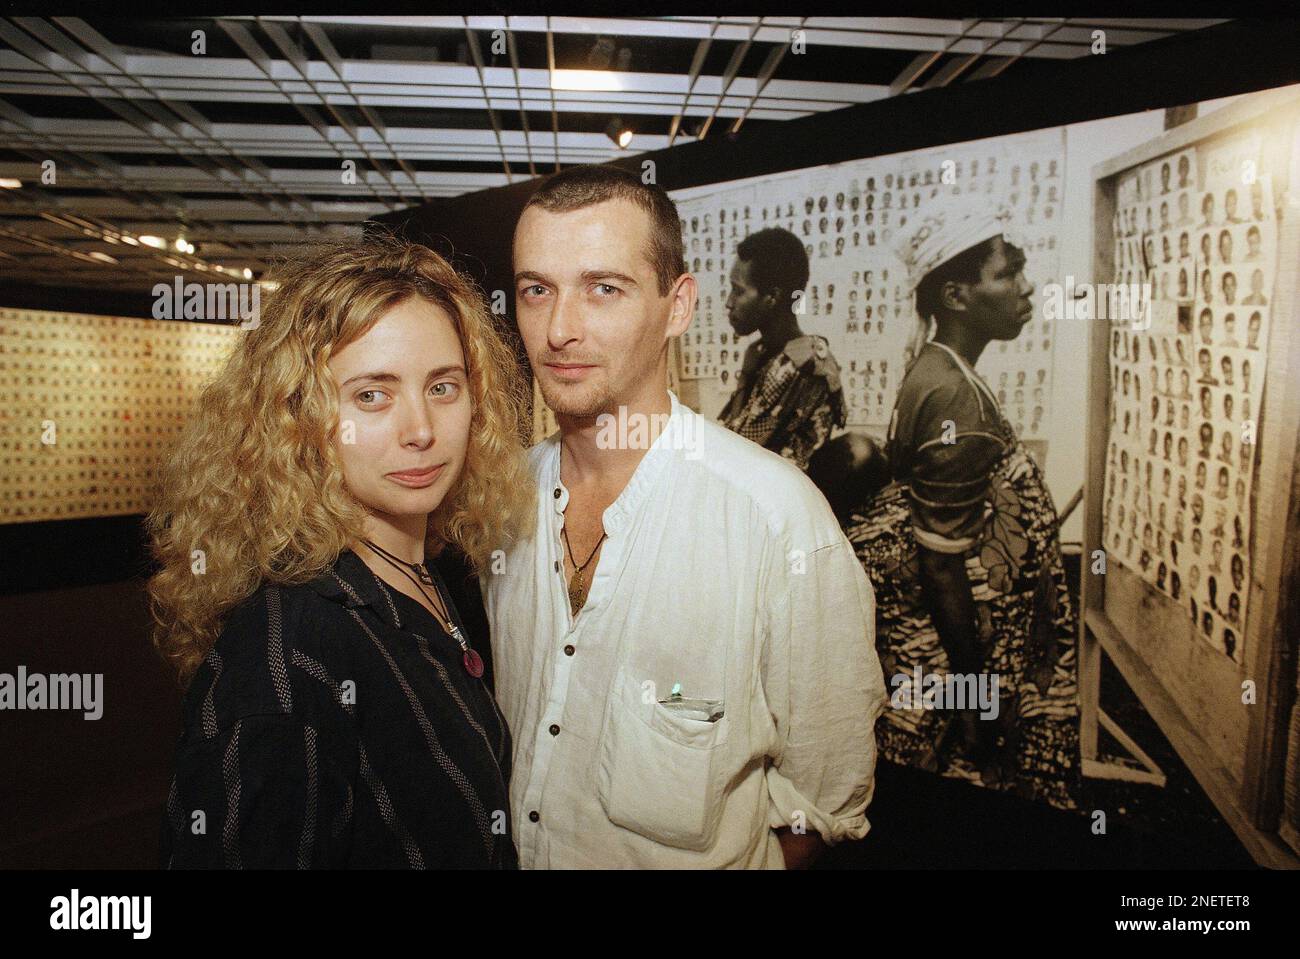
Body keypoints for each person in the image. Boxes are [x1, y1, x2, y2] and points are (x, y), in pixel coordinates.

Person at [491, 165, 886, 868]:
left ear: (677, 307)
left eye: (603, 288)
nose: (559, 329)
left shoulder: (776, 520)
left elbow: (822, 796)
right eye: (536, 290)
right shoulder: (500, 501)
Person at [149, 237, 535, 868]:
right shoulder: (284, 653)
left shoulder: (444, 577)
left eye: (443, 387)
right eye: (371, 396)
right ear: (300, 417)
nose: (420, 430)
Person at [844, 200, 1082, 811]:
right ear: (956, 295)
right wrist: (977, 694)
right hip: (963, 641)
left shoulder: (940, 371)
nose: (1026, 288)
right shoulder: (955, 398)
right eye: (1008, 274)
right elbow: (943, 563)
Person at [718, 228, 847, 470]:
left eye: (738, 290)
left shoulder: (804, 363)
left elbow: (736, 454)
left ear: (772, 297)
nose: (729, 302)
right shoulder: (764, 353)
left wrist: (746, 376)